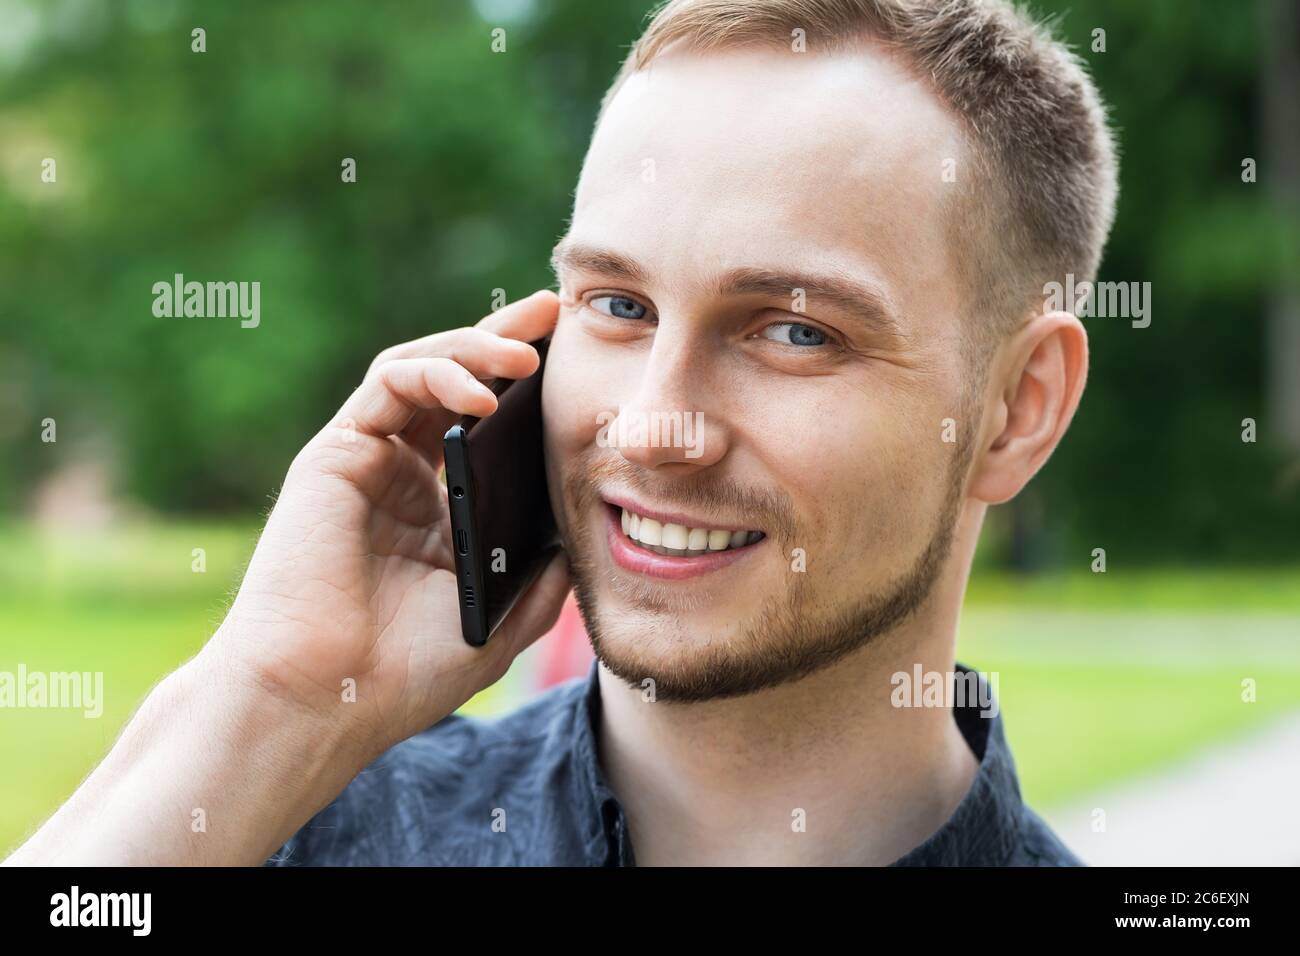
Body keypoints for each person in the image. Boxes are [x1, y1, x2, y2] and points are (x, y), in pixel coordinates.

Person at [5, 0, 1116, 866]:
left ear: (1016, 409)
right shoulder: (281, 825)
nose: (650, 425)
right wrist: (271, 702)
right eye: (619, 306)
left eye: (791, 329)